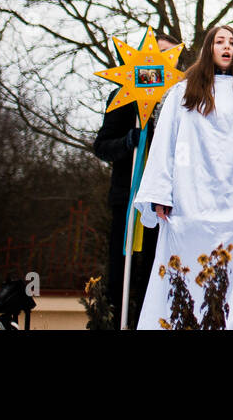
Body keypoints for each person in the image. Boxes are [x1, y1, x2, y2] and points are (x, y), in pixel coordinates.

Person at [133, 26, 233, 330]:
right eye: (220, 42)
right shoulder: (183, 92)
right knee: (182, 275)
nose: (227, 47)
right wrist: (160, 194)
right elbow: (165, 144)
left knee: (230, 282)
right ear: (209, 49)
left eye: (232, 43)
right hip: (187, 205)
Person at [92, 30, 179, 329]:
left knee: (153, 272)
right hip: (128, 196)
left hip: (162, 202)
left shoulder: (178, 101)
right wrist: (128, 142)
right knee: (120, 271)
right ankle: (115, 322)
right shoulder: (123, 97)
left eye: (168, 55)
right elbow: (101, 146)